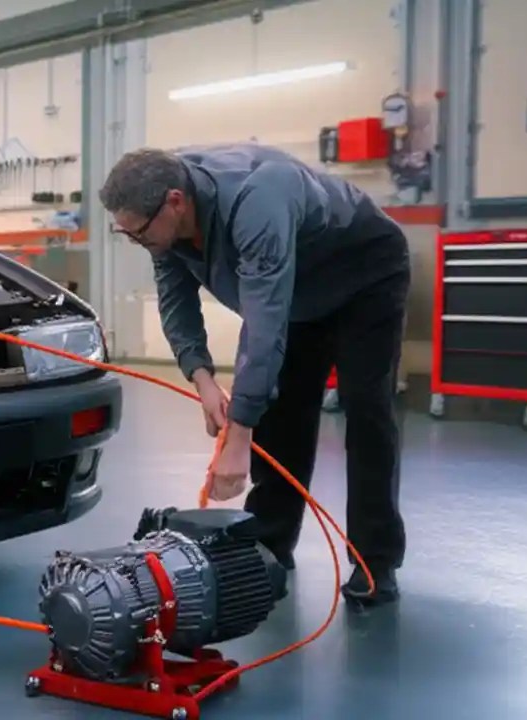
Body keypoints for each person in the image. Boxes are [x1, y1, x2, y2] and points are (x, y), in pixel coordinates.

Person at [99, 144, 409, 606]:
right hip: (299, 290)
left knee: (366, 408)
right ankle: (269, 545)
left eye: (139, 234)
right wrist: (203, 381)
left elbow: (264, 319)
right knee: (283, 413)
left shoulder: (259, 197)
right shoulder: (162, 215)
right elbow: (176, 305)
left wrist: (238, 435)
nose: (138, 242)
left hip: (364, 276)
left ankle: (374, 561)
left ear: (175, 202)